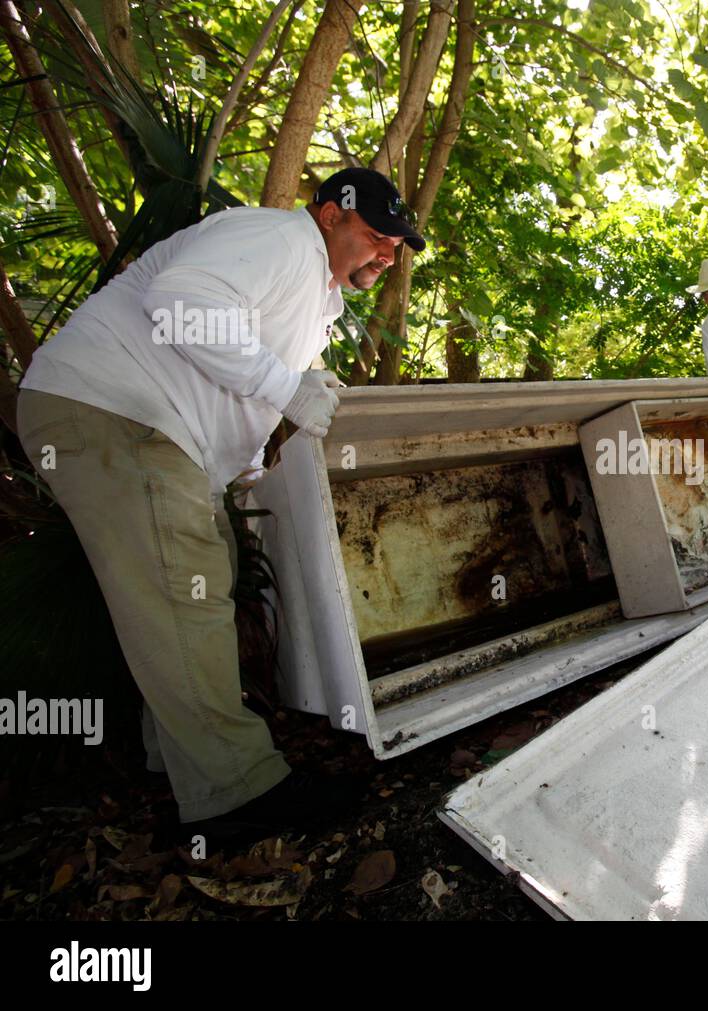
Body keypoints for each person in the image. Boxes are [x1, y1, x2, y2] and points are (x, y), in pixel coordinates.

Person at [15, 167, 426, 842]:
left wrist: (248, 473)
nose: (388, 252)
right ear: (329, 214)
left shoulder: (315, 299)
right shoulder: (284, 240)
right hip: (115, 410)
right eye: (377, 234)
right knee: (184, 589)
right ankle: (235, 795)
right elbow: (183, 301)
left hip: (149, 427)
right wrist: (286, 386)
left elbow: (240, 397)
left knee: (196, 582)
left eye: (396, 244)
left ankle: (175, 762)